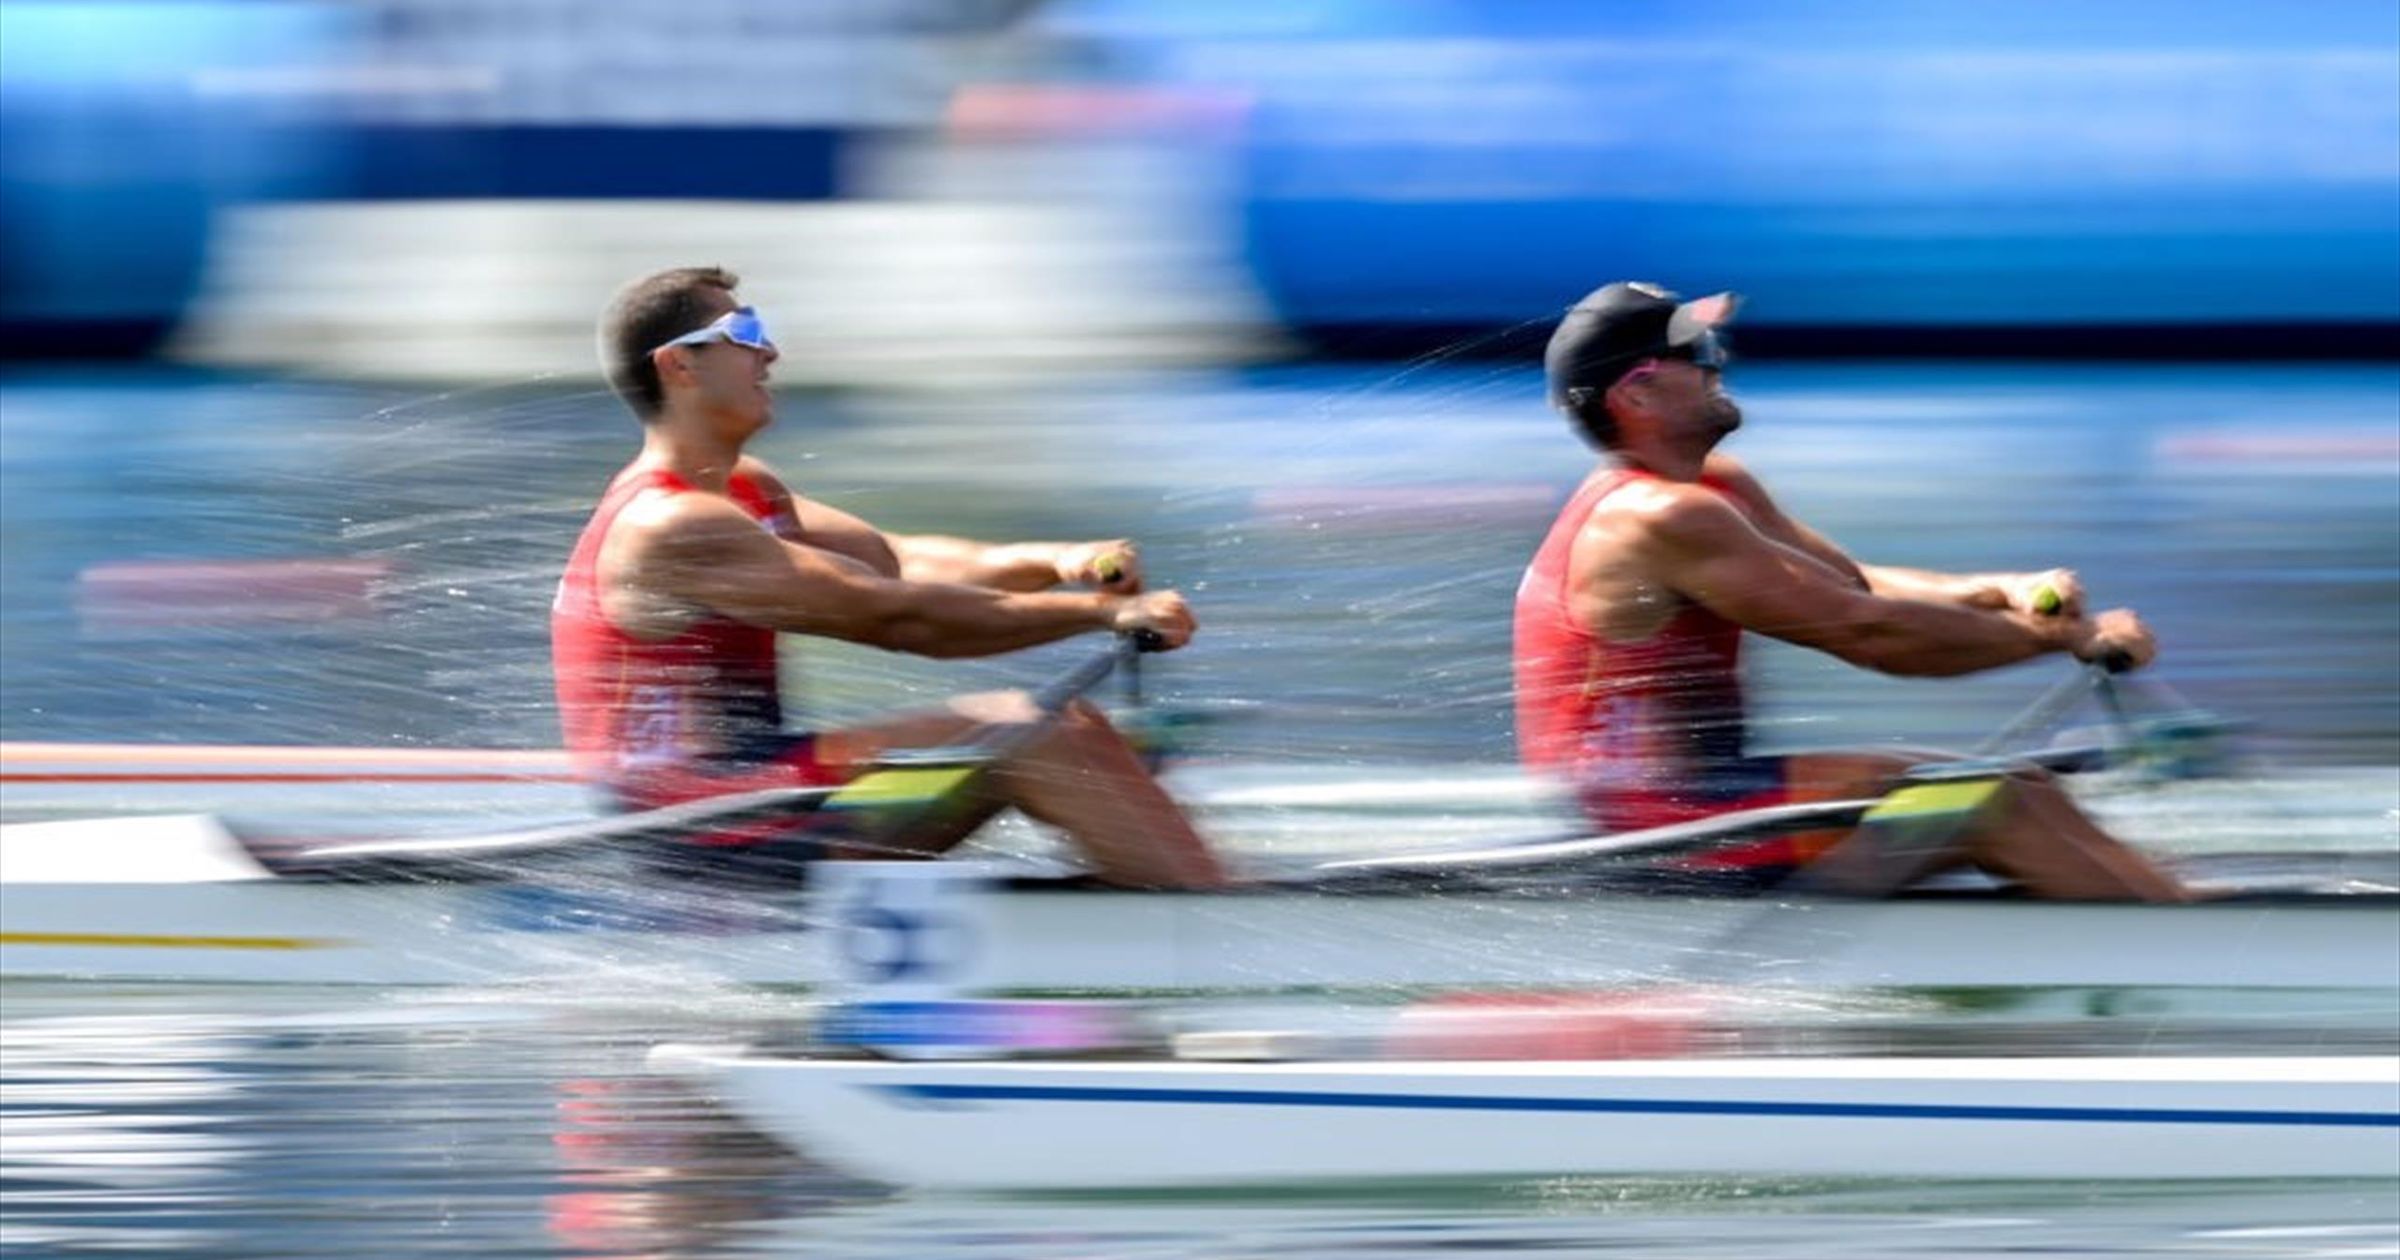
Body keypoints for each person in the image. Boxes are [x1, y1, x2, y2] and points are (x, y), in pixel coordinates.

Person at [552, 266, 1225, 888]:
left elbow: (896, 565)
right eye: (745, 333)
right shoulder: (668, 525)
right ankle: (1227, 933)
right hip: (706, 835)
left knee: (1089, 734)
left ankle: (1179, 901)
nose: (770, 353)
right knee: (1042, 732)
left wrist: (1058, 561)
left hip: (763, 794)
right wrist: (1100, 615)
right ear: (678, 366)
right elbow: (897, 617)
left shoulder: (744, 491)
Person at [1513, 281, 2186, 901]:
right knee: (1984, 803)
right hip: (1664, 824)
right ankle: (2194, 964)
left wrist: (2000, 589)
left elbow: (1854, 585)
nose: (1720, 365)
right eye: (1700, 353)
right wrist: (2066, 638)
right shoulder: (1658, 519)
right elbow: (1871, 636)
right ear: (1637, 394)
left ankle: (2180, 923)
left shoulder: (1715, 485)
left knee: (2024, 787)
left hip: (1719, 793)